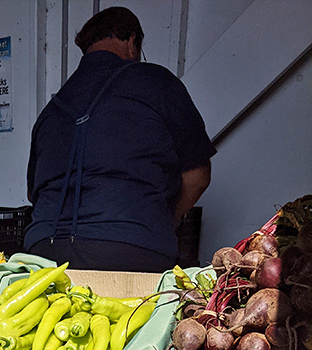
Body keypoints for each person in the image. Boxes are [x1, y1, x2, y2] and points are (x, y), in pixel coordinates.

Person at [24, 6, 215, 272]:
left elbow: (33, 193)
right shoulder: (158, 82)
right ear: (132, 42)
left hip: (43, 253)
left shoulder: (51, 111)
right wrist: (164, 222)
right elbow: (197, 176)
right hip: (132, 250)